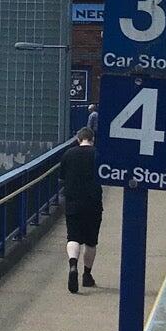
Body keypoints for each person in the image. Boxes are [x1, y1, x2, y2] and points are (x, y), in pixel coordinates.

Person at [60, 126, 103, 294]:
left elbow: (62, 178)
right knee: (91, 241)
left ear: (78, 139)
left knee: (73, 237)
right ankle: (87, 275)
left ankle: (72, 266)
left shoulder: (68, 154)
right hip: (93, 203)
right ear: (92, 139)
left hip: (73, 202)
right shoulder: (98, 154)